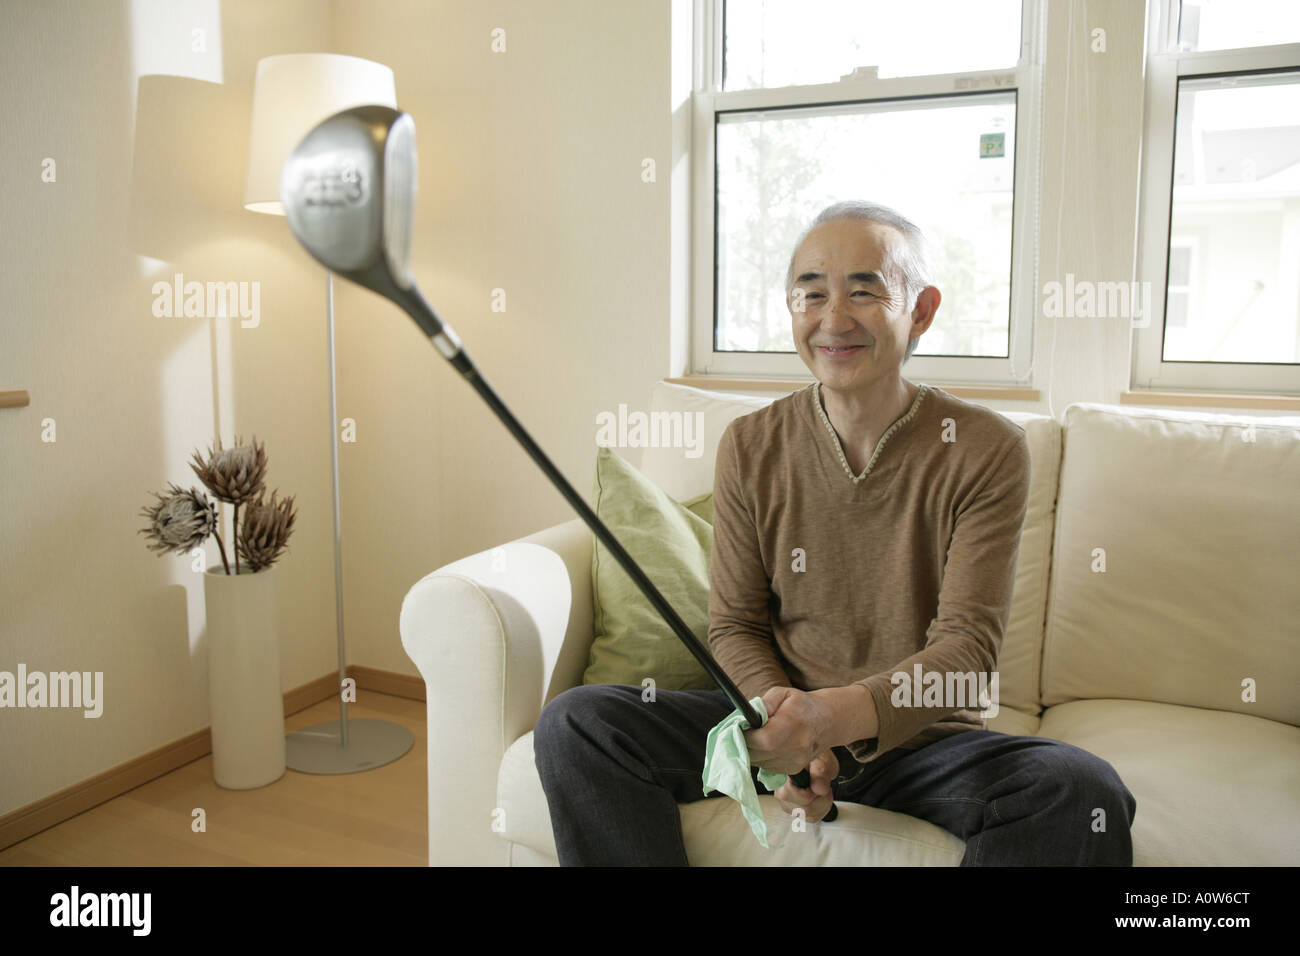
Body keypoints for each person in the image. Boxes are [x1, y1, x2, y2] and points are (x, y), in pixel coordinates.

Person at [533, 200, 1137, 866]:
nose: (834, 319)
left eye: (865, 290)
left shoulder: (985, 447)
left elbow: (966, 656)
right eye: (811, 294)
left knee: (1079, 790)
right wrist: (785, 728)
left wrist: (829, 721)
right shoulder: (751, 444)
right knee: (579, 723)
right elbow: (735, 623)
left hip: (921, 746)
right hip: (777, 724)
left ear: (923, 310)